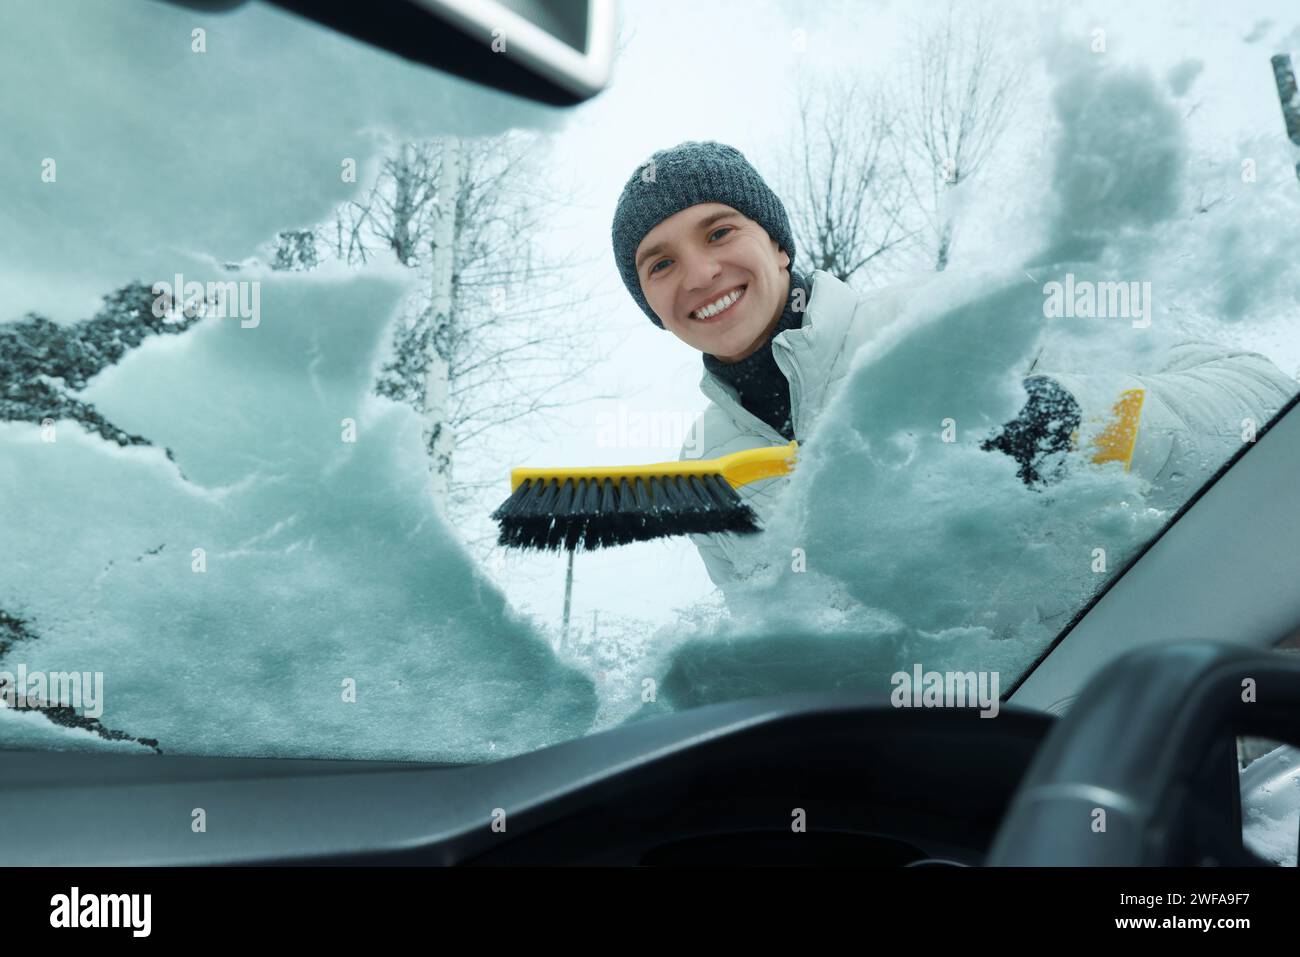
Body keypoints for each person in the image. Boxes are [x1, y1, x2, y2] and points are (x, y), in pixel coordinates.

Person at [610, 140, 1297, 595]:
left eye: (720, 231)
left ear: (780, 248)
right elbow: (773, 652)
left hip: (1121, 719)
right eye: (660, 263)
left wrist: (1073, 423)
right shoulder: (701, 472)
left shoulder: (954, 318)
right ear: (651, 304)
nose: (699, 273)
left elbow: (1262, 400)